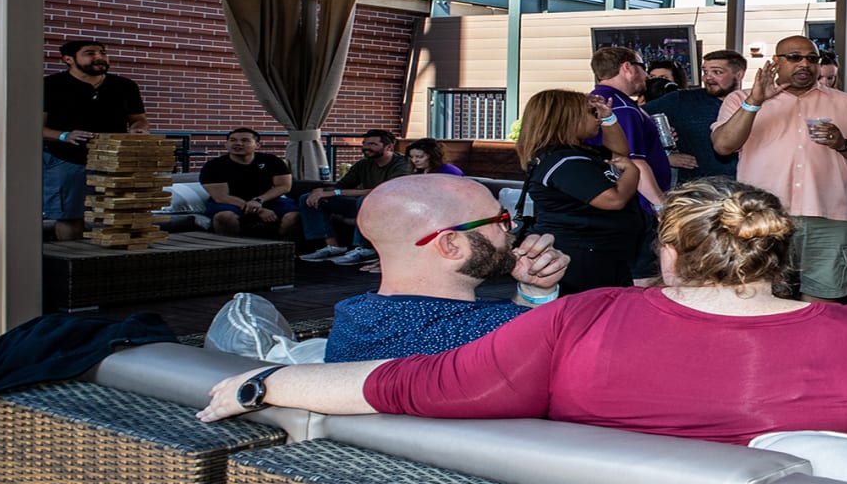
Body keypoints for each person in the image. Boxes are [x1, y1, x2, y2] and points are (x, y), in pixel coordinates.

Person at [200, 178, 847, 449]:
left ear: (667, 254)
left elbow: (411, 384)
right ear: (780, 248)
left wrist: (265, 382)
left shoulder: (582, 320)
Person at [324, 174, 570, 362]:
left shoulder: (350, 318)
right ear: (450, 245)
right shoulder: (483, 333)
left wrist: (533, 289)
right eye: (500, 220)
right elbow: (516, 332)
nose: (511, 229)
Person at [711, 35, 847, 302]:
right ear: (776, 62)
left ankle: (813, 345)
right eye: (794, 57)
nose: (804, 64)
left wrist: (842, 144)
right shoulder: (741, 100)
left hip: (828, 216)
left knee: (823, 297)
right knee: (762, 297)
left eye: (811, 59)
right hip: (762, 218)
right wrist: (755, 102)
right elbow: (722, 146)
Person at [514, 89, 647, 293]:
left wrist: (608, 117)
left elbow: (619, 153)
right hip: (580, 258)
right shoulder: (564, 163)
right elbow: (613, 200)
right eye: (590, 113)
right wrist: (632, 172)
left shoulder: (576, 153)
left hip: (603, 254)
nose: (596, 119)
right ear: (568, 119)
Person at [42, 39, 152, 241]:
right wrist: (65, 135)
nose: (99, 57)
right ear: (68, 59)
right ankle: (73, 264)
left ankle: (108, 264)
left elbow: (139, 119)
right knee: (71, 216)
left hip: (114, 161)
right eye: (90, 53)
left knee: (118, 216)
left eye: (102, 52)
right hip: (67, 159)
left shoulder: (125, 86)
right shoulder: (50, 85)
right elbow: (33, 127)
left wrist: (138, 130)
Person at [298, 130, 412, 265]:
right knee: (306, 198)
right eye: (364, 143)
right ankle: (333, 246)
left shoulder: (402, 163)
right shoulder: (363, 164)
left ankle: (365, 249)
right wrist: (320, 191)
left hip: (392, 207)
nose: (366, 147)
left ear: (389, 147)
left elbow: (383, 191)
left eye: (372, 144)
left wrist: (336, 193)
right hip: (362, 204)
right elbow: (342, 185)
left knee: (366, 200)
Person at [585, 46, 673, 211]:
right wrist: (661, 205)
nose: (646, 75)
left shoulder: (601, 99)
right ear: (627, 67)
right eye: (643, 68)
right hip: (637, 205)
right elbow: (633, 162)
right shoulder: (621, 107)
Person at [645, 49, 747, 183]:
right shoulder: (681, 100)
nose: (708, 78)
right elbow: (630, 118)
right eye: (705, 72)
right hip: (697, 192)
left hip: (745, 188)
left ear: (739, 75)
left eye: (717, 72)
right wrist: (662, 155)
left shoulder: (753, 103)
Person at [199, 128, 299, 238]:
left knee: (294, 216)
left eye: (245, 140)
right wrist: (258, 209)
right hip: (230, 203)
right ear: (226, 144)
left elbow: (284, 186)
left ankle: (282, 248)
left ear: (257, 145)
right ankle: (233, 251)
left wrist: (258, 200)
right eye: (232, 140)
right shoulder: (213, 166)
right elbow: (221, 197)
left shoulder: (272, 161)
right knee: (224, 217)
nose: (238, 143)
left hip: (268, 200)